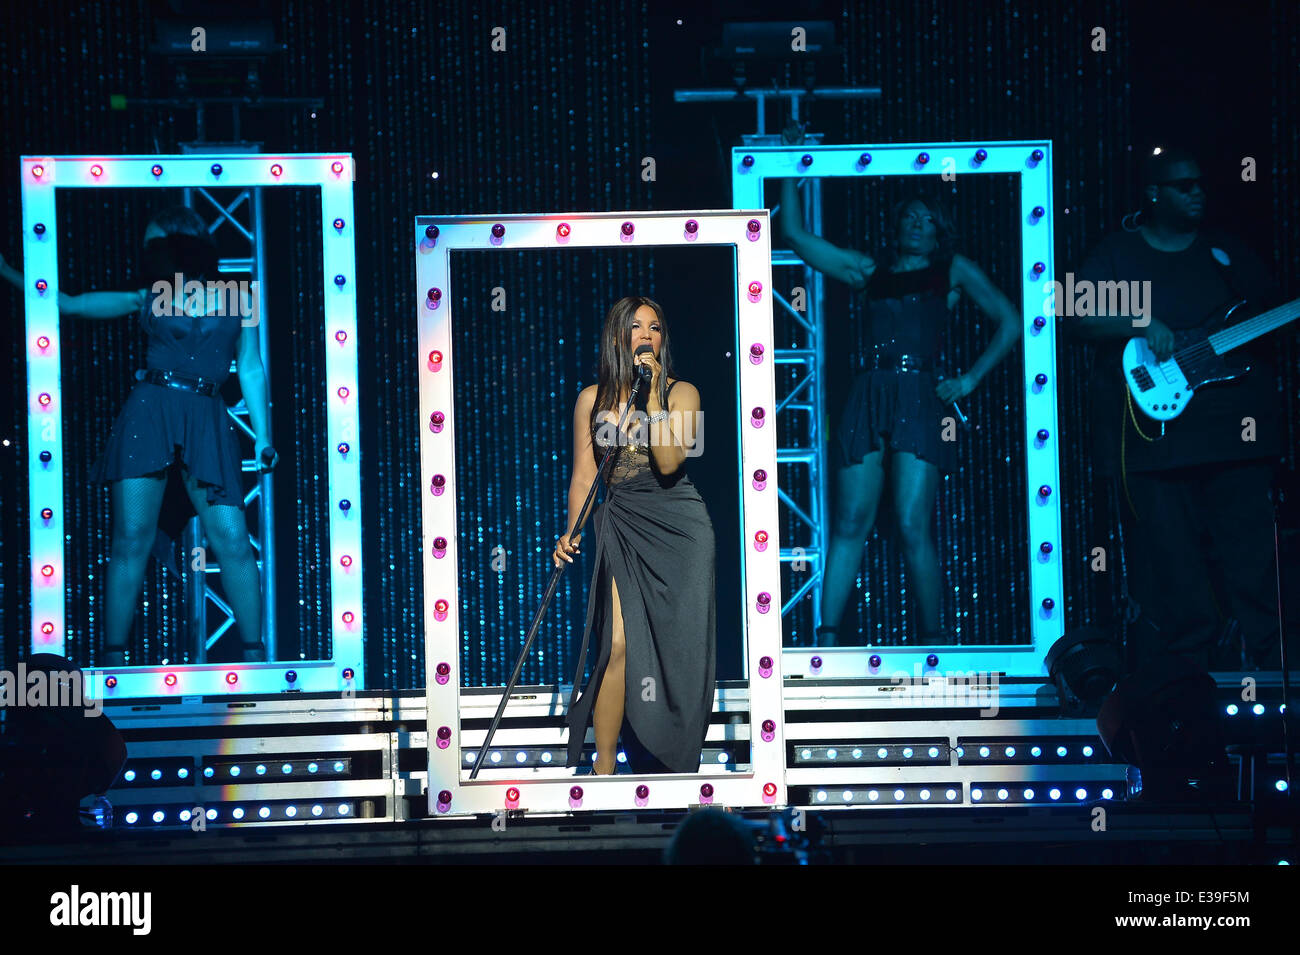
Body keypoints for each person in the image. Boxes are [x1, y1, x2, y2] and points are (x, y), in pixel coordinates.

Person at [778, 124, 1022, 647]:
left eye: (925, 218)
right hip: (870, 394)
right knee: (849, 521)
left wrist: (970, 379)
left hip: (920, 395)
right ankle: (824, 642)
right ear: (898, 226)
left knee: (913, 524)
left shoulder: (952, 269)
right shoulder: (870, 269)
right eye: (908, 216)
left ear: (938, 229)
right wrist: (792, 162)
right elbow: (796, 237)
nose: (916, 223)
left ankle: (937, 643)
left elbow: (1011, 320)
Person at [2, 206, 275, 666]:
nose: (149, 254)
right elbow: (69, 303)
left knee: (232, 539)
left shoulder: (238, 295)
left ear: (181, 242)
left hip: (207, 415)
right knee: (131, 538)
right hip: (150, 412)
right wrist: (8, 272)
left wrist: (264, 436)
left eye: (156, 244)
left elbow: (249, 365)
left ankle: (256, 659)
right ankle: (113, 661)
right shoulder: (151, 295)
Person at [1069, 146, 1287, 672]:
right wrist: (1140, 322)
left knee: (1254, 559)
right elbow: (1073, 314)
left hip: (1234, 439)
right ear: (1154, 194)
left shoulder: (1226, 254)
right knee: (1175, 566)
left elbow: (1272, 315)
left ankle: (1274, 681)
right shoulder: (1120, 254)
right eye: (1184, 186)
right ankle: (1190, 689)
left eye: (1200, 185)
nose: (1197, 193)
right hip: (1157, 443)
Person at [555, 296, 716, 775]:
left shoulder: (682, 393)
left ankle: (674, 764)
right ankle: (603, 770)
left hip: (680, 529)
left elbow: (669, 462)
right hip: (622, 521)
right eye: (636, 326)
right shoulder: (592, 399)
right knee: (618, 644)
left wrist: (652, 399)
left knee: (678, 653)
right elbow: (585, 478)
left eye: (655, 327)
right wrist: (571, 533)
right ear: (618, 337)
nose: (647, 334)